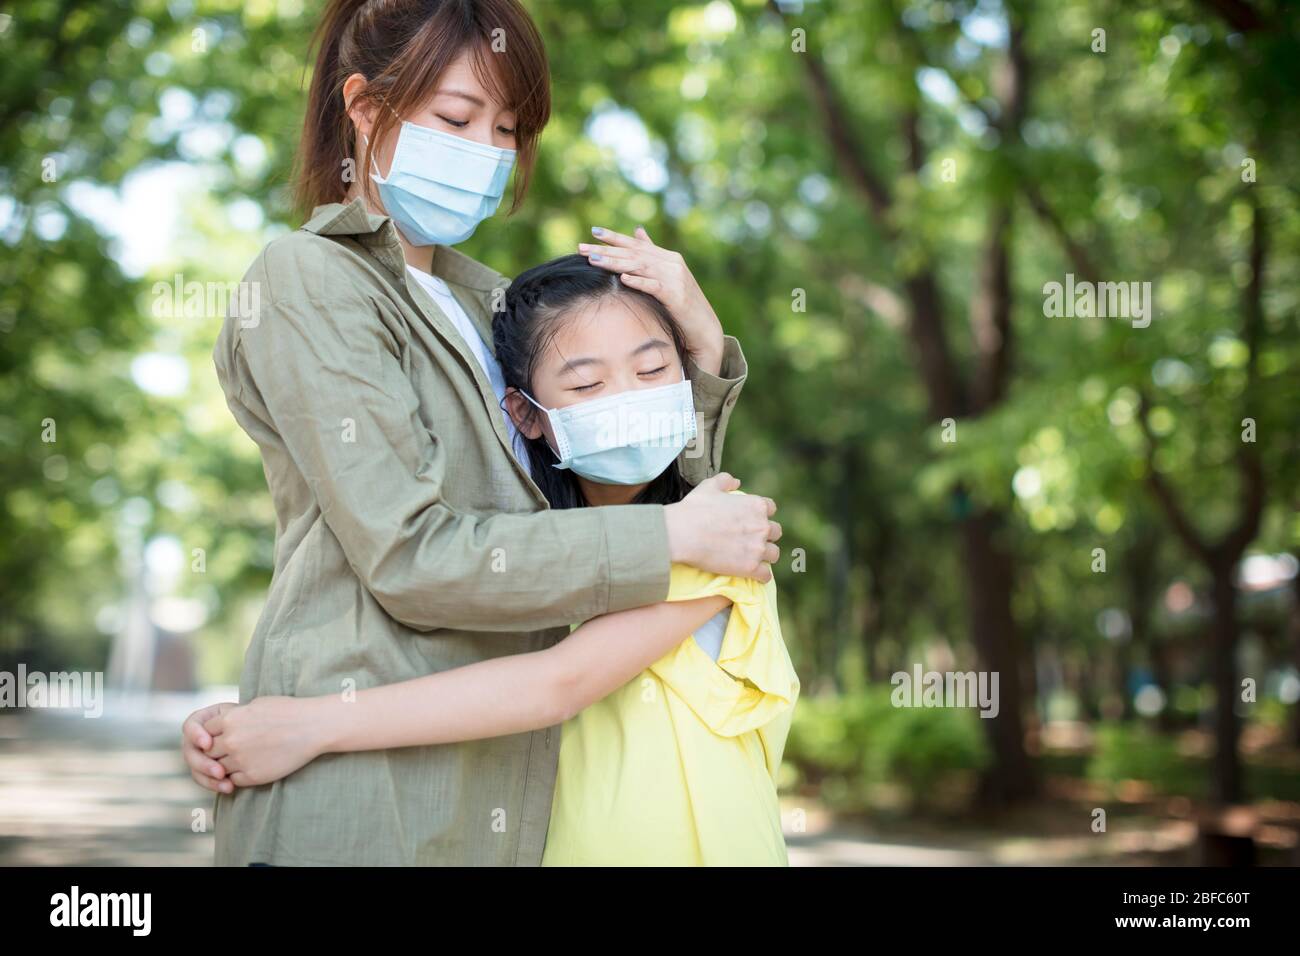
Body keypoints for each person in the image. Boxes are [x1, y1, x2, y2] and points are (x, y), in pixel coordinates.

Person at [181, 0, 780, 866]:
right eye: (457, 118)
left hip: (496, 799)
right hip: (359, 801)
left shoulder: (493, 306)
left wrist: (702, 343)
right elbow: (411, 556)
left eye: (508, 129)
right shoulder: (310, 277)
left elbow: (622, 489)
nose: (489, 152)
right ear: (365, 110)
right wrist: (670, 535)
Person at [191, 255, 799, 865]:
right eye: (587, 385)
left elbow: (554, 685)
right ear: (526, 415)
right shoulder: (542, 554)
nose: (629, 401)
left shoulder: (715, 536)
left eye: (652, 369)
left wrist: (306, 728)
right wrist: (246, 731)